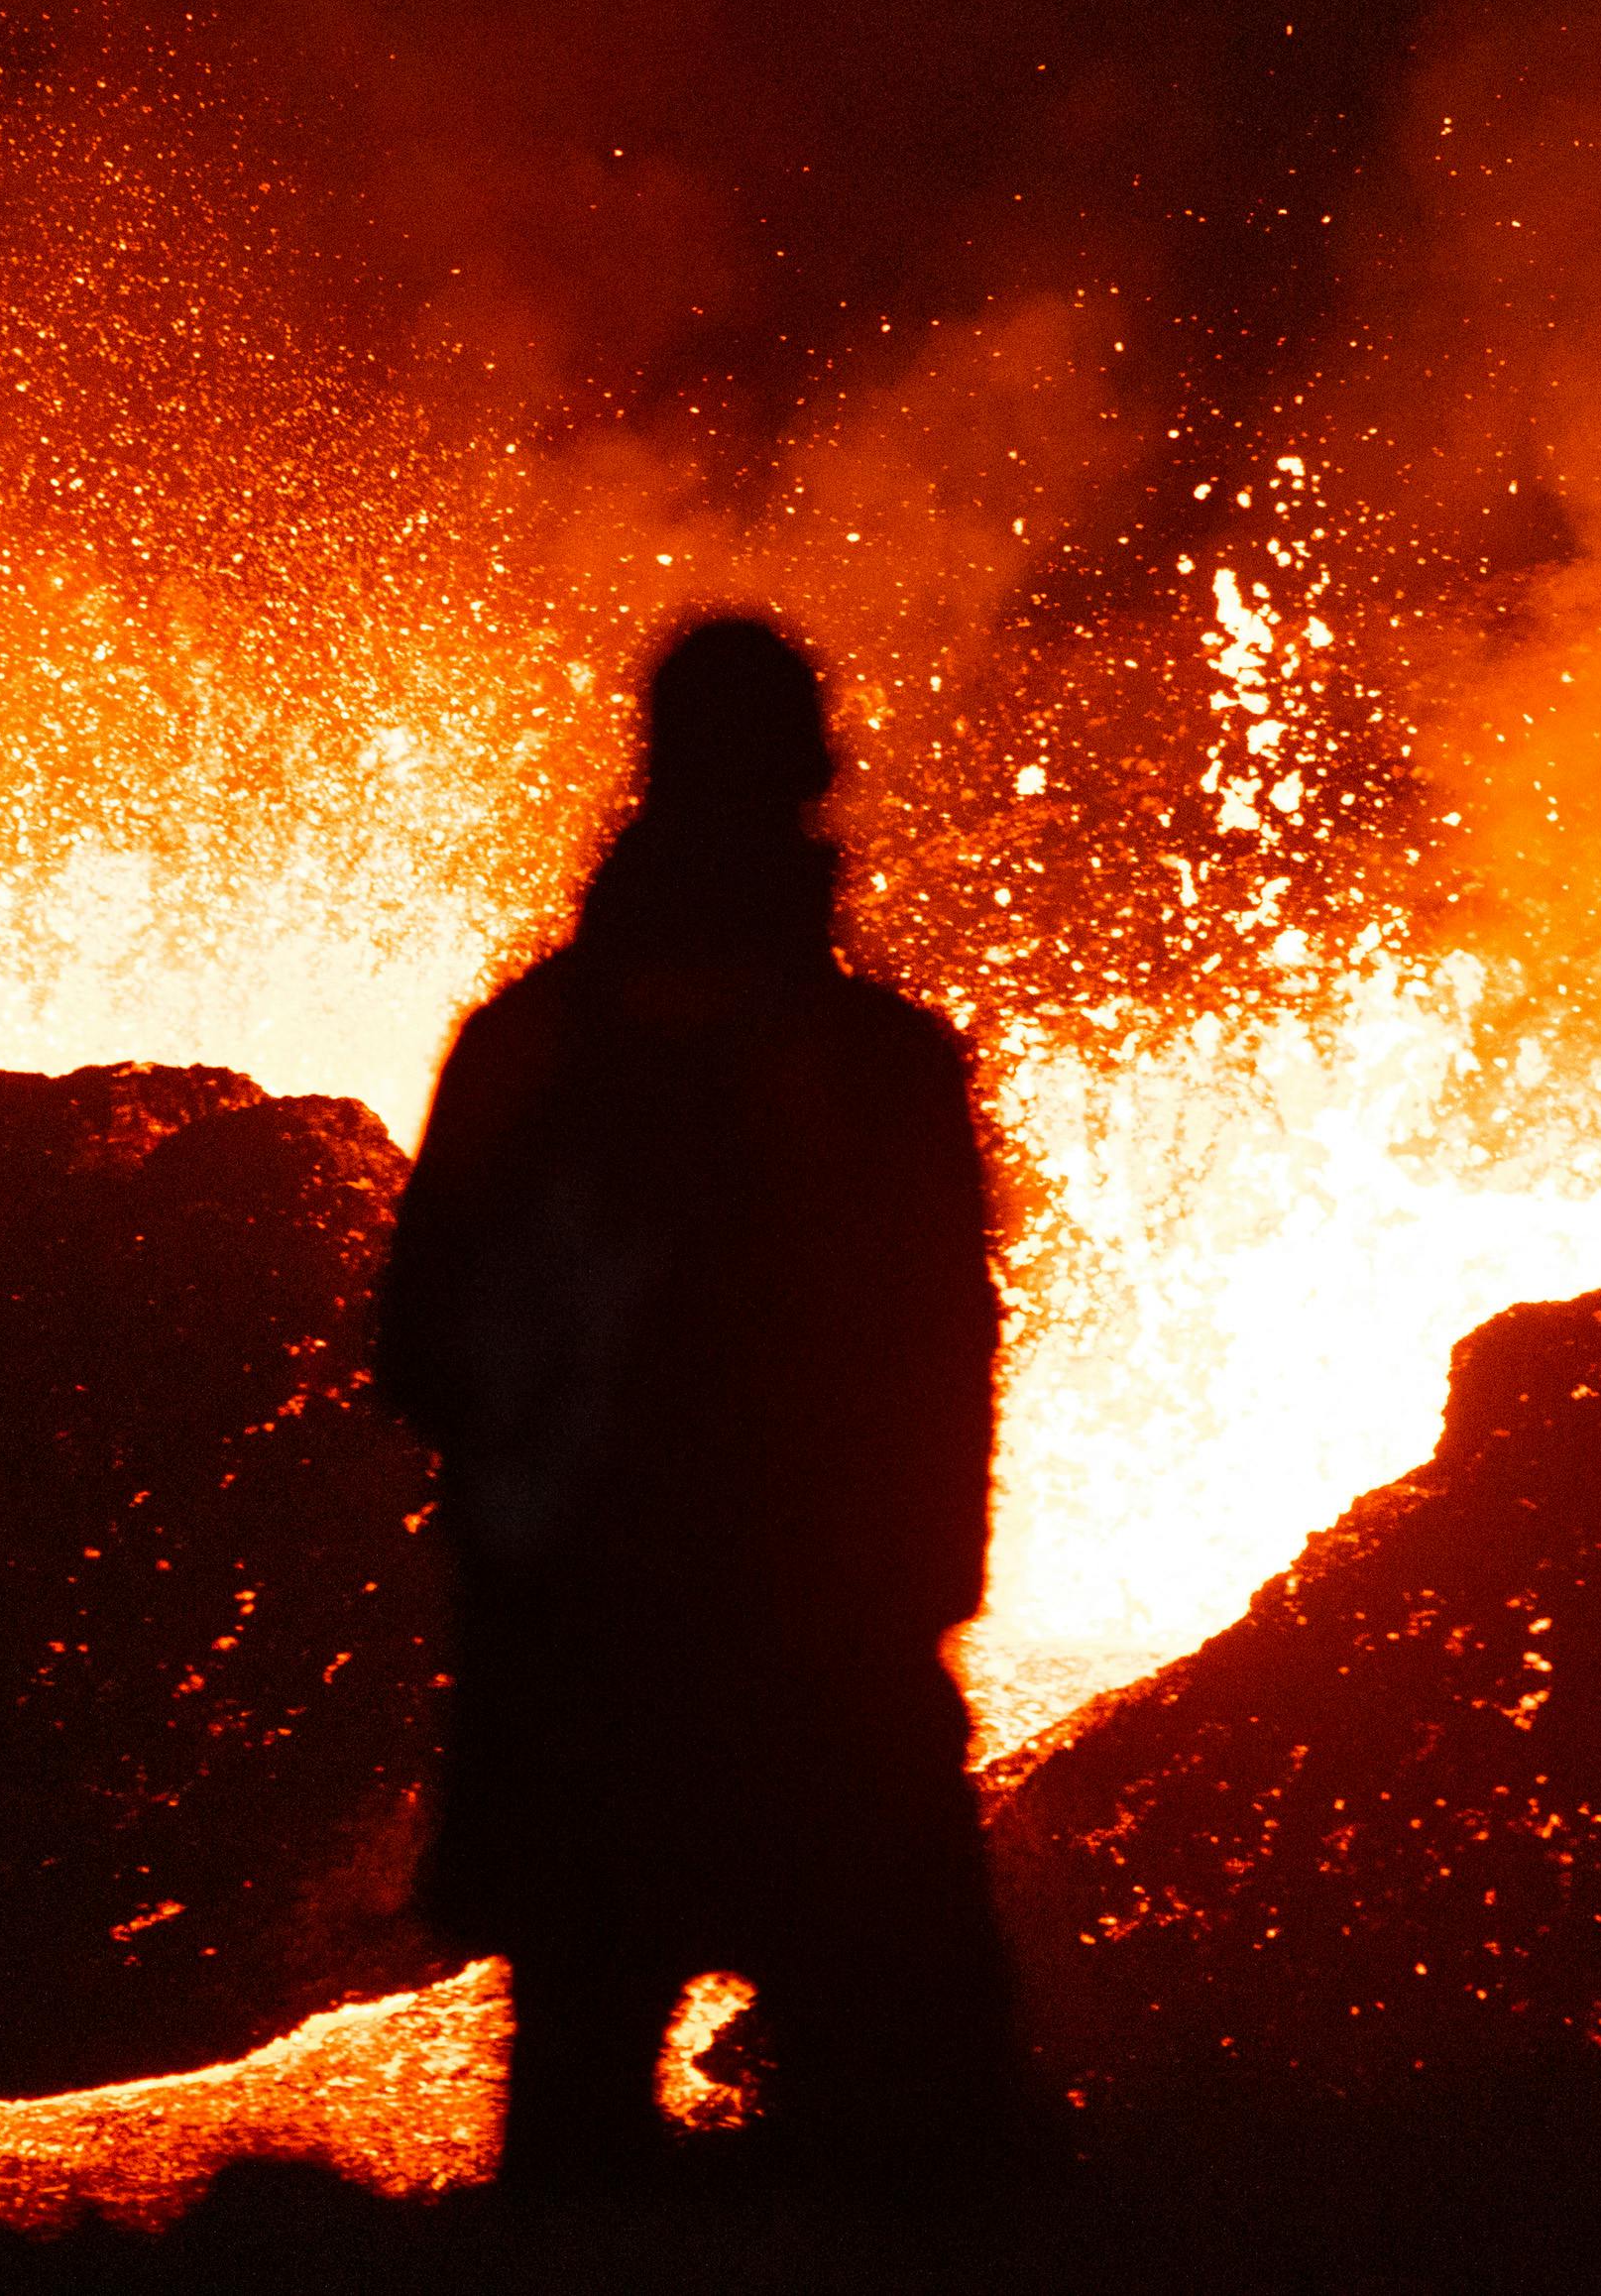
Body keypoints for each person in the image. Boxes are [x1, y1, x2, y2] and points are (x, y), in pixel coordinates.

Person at [373, 616, 1022, 2197]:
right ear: (810, 781)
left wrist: (530, 1525)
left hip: (581, 1664)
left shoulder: (530, 1046)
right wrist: (910, 1595)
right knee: (920, 2142)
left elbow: (416, 1340)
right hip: (818, 1666)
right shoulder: (875, 1067)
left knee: (579, 2114)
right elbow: (941, 1353)